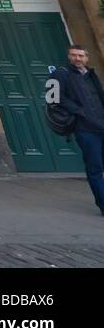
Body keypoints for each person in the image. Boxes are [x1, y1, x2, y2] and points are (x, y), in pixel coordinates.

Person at [55, 44, 104, 214]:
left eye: (81, 55)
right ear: (69, 57)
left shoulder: (91, 74)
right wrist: (78, 111)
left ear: (86, 58)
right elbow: (52, 97)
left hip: (101, 124)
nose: (77, 58)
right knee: (95, 167)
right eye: (74, 55)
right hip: (85, 128)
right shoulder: (61, 74)